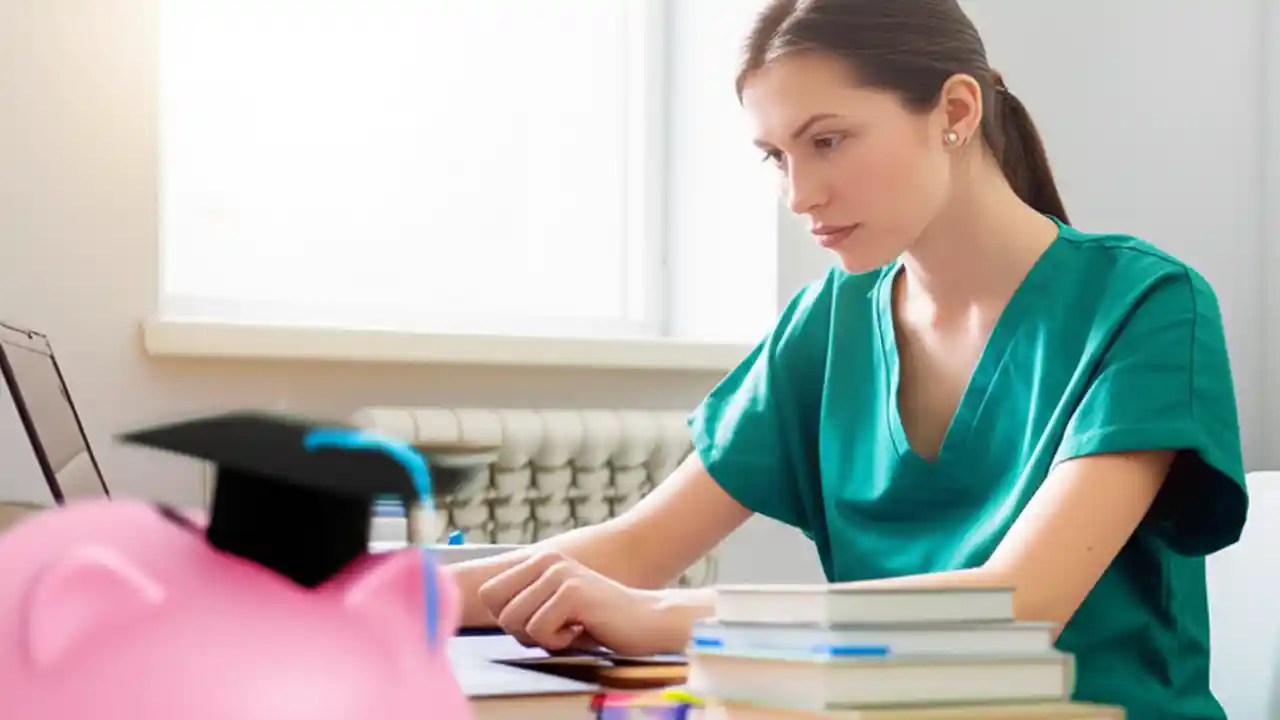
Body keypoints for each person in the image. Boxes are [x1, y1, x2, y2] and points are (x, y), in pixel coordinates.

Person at [448, 1, 1249, 717]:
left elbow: (1019, 603)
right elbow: (634, 545)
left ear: (955, 110)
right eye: (777, 156)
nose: (800, 195)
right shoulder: (828, 324)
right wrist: (388, 593)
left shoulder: (1147, 304)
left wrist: (659, 616)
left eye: (827, 141)